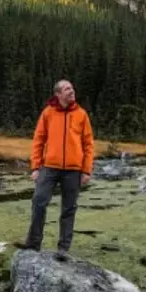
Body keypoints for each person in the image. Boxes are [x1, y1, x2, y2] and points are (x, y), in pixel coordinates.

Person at [20, 79, 94, 257]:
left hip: (74, 170)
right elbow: (38, 140)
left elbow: (88, 145)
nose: (71, 91)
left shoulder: (81, 115)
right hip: (49, 168)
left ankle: (63, 249)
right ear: (58, 94)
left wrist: (86, 170)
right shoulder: (48, 113)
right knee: (39, 202)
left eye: (72, 88)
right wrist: (35, 167)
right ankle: (33, 243)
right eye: (67, 89)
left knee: (69, 209)